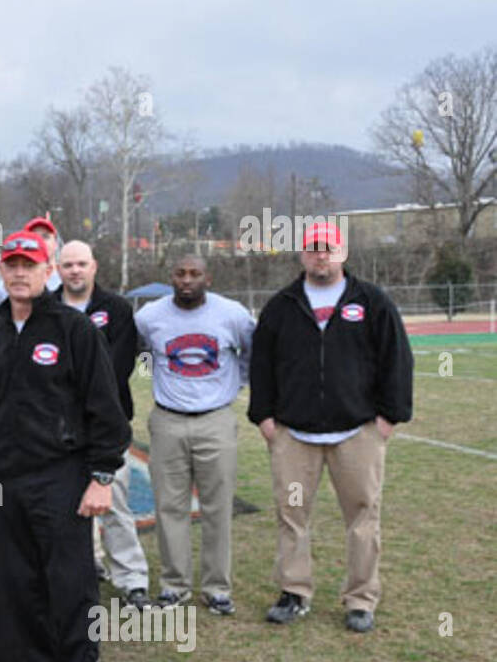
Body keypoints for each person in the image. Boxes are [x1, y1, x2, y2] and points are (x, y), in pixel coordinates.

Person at [0, 230, 129, 662]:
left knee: (69, 581)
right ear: (2, 271)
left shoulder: (73, 330)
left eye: (29, 264)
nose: (20, 272)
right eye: (12, 264)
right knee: (22, 580)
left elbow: (106, 407)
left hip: (62, 475)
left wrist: (101, 476)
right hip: (8, 479)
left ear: (49, 271)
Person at [249, 222, 413, 633]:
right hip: (294, 436)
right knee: (291, 515)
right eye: (313, 248)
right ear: (302, 254)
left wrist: (388, 418)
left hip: (356, 433)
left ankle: (360, 599)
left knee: (362, 516)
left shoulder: (371, 301)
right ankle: (294, 592)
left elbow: (397, 360)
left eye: (329, 248)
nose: (321, 255)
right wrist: (265, 418)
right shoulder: (282, 305)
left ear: (343, 252)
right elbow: (261, 365)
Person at [135, 254, 255, 615]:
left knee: (218, 507)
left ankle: (217, 587)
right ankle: (175, 585)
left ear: (208, 278)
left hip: (215, 419)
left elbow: (252, 350)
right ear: (170, 277)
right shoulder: (149, 316)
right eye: (180, 273)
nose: (187, 280)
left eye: (195, 274)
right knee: (170, 506)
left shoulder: (232, 314)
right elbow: (136, 351)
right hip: (168, 420)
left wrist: (240, 382)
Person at [54, 239, 151, 610]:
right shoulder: (46, 310)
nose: (75, 271)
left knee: (115, 502)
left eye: (81, 264)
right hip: (59, 428)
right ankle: (81, 569)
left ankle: (132, 578)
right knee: (66, 504)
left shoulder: (117, 310)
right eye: (67, 265)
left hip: (106, 425)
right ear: (57, 270)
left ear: (94, 267)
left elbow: (116, 368)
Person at [0, 217, 64, 304]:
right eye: (33, 236)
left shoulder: (66, 281)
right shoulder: (4, 289)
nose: (40, 241)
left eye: (45, 236)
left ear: (56, 244)